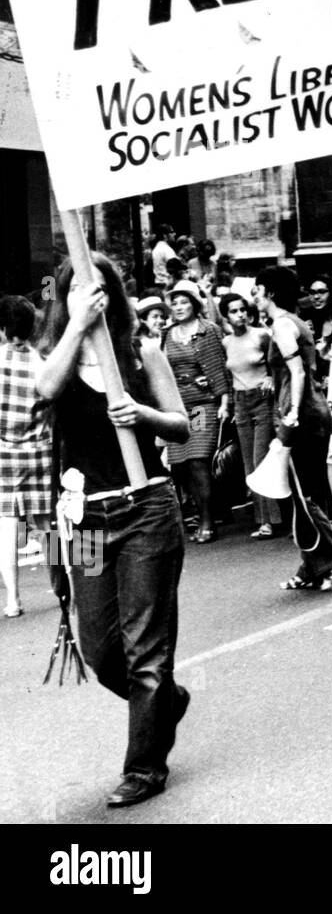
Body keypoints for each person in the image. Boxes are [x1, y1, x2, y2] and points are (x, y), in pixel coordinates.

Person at [37, 252, 191, 808]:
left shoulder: (140, 350)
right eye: (80, 289)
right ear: (63, 296)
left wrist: (141, 415)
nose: (93, 297)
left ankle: (144, 768)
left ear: (116, 295)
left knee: (146, 648)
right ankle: (164, 700)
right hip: (84, 519)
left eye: (101, 289)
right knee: (102, 652)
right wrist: (76, 327)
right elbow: (45, 389)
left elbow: (180, 425)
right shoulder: (55, 351)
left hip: (147, 507)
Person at [253, 265, 332, 589]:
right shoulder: (292, 322)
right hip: (309, 411)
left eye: (258, 290)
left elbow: (298, 372)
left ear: (270, 293)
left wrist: (292, 413)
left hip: (302, 414)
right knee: (303, 494)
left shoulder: (282, 325)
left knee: (302, 494)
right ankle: (312, 567)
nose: (255, 296)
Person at [161, 280, 228, 544]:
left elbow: (218, 368)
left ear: (195, 304)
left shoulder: (208, 330)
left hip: (202, 404)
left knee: (198, 460)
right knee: (180, 466)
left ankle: (208, 520)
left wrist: (224, 402)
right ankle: (200, 513)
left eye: (184, 301)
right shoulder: (167, 334)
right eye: (174, 302)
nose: (178, 307)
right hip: (177, 407)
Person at [0, 296, 54, 619]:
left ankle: (13, 600)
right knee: (47, 522)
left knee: (6, 525)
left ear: (3, 329)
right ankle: (64, 588)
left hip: (4, 449)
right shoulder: (41, 362)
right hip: (39, 448)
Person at [219, 292, 279, 540]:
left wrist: (270, 377)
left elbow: (277, 362)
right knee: (248, 464)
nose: (239, 315)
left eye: (242, 309)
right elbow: (230, 374)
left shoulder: (261, 335)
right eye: (233, 311)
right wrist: (229, 404)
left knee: (261, 458)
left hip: (262, 400)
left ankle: (272, 520)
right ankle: (261, 519)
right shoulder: (226, 342)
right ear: (226, 316)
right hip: (240, 402)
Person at [150, 225, 177, 289]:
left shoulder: (156, 248)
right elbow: (176, 267)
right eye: (171, 232)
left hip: (158, 284)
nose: (174, 234)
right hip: (167, 285)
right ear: (165, 235)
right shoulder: (166, 249)